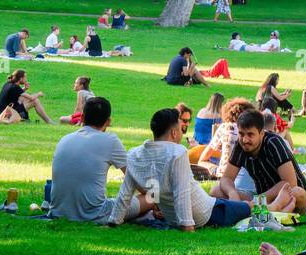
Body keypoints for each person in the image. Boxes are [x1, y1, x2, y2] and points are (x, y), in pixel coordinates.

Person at [110, 107, 250, 230]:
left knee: (226, 200)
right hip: (206, 214)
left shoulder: (135, 154)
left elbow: (125, 193)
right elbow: (181, 192)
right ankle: (269, 206)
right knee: (249, 207)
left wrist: (113, 221)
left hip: (178, 216)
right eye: (181, 128)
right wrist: (187, 226)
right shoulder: (177, 152)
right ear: (174, 133)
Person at [49, 96, 153, 225]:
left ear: (82, 117)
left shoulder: (65, 139)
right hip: (95, 214)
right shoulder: (110, 141)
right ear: (108, 121)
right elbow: (135, 178)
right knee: (152, 196)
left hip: (59, 212)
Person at [213, 108, 306, 216]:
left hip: (289, 196)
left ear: (262, 133)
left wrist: (258, 200)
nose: (245, 140)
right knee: (216, 191)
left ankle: (261, 210)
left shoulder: (273, 142)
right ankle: (270, 211)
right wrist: (232, 193)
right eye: (241, 134)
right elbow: (226, 178)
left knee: (297, 192)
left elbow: (290, 183)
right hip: (262, 198)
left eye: (250, 134)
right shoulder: (240, 145)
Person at [191, 96, 254, 177]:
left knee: (202, 162)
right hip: (247, 173)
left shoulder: (224, 127)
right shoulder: (254, 131)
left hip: (225, 172)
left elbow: (204, 156)